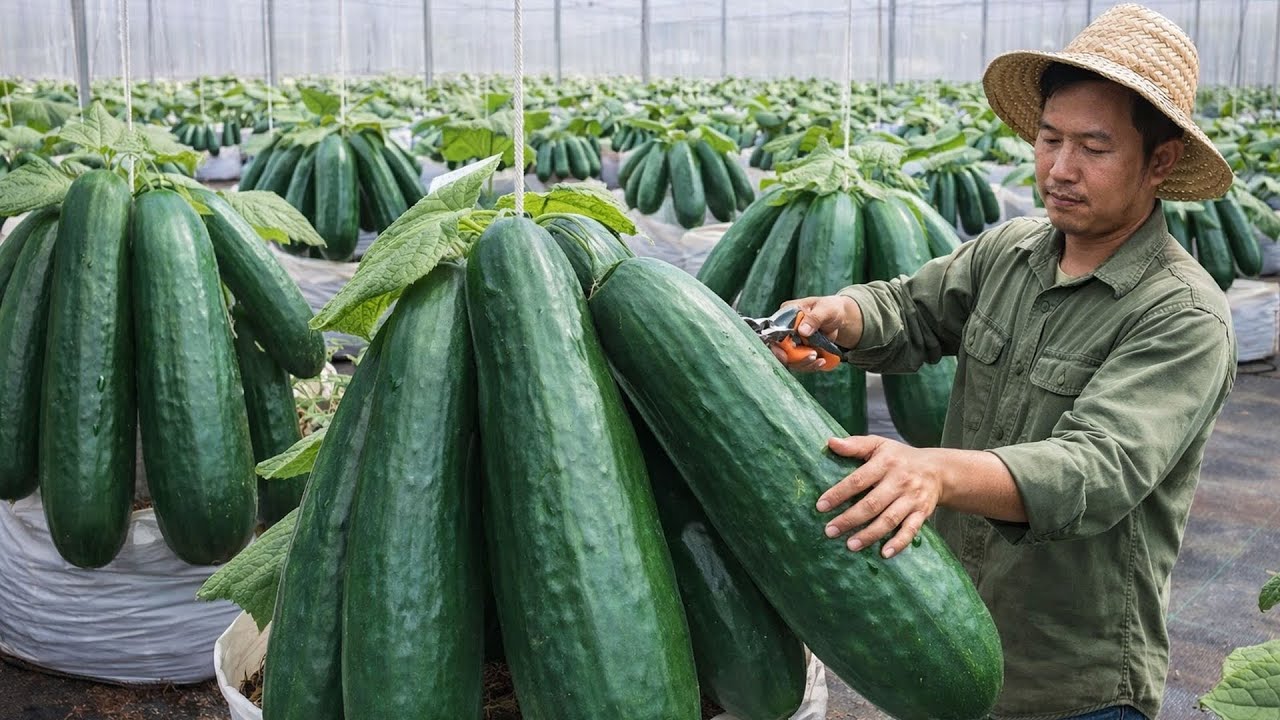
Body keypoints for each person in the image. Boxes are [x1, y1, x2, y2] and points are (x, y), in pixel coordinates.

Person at [772, 5, 1237, 718]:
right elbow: (912, 309)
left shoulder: (1183, 315)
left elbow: (1095, 470)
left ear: (1161, 161)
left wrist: (932, 468)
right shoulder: (1011, 250)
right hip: (950, 632)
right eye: (1049, 139)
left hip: (1072, 685)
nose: (1060, 167)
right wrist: (846, 314)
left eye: (1094, 147)